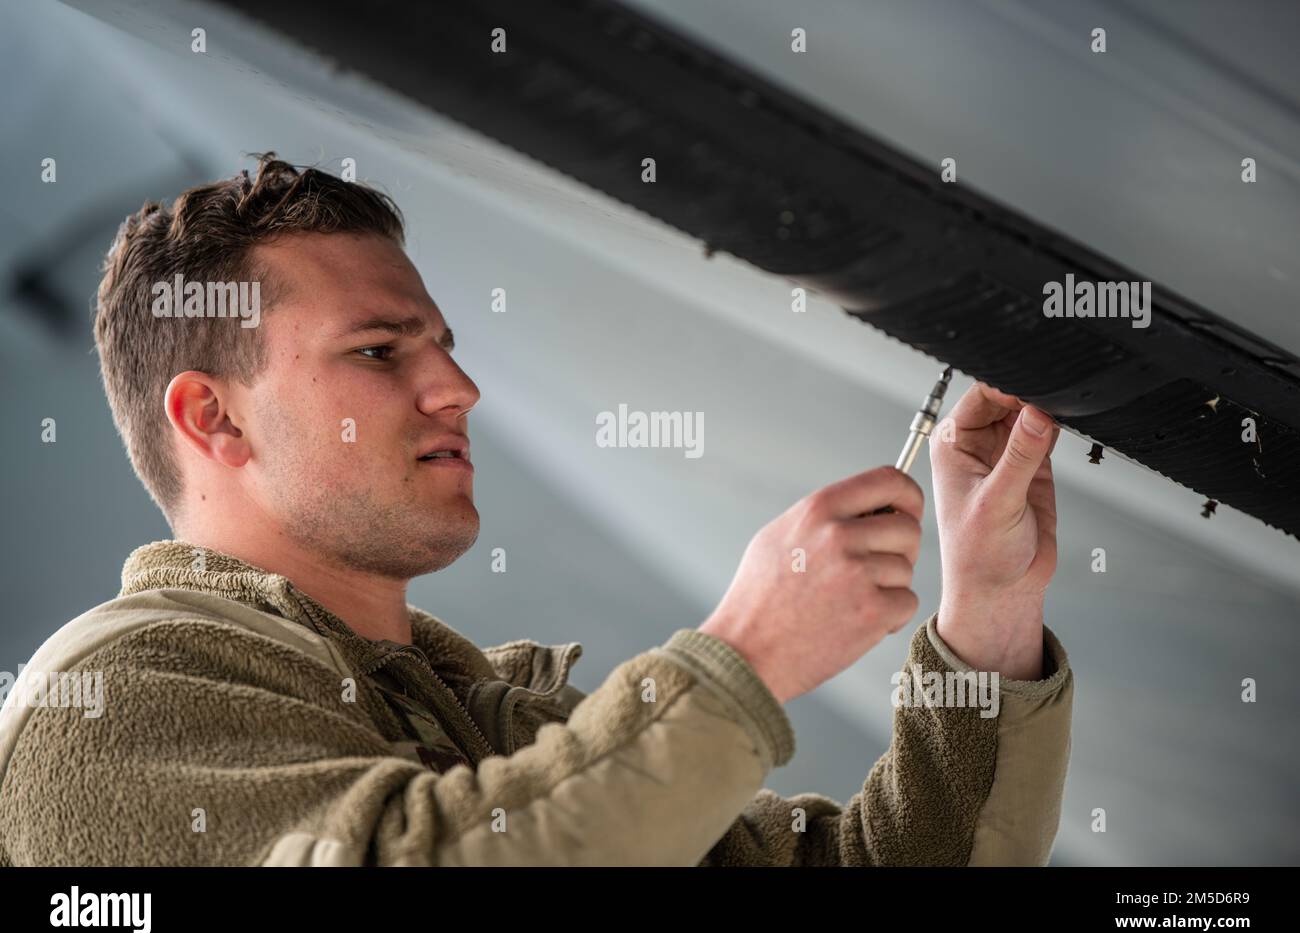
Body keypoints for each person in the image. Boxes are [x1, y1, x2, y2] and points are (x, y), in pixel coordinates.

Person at [0, 154, 1071, 866]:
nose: (456, 388)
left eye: (445, 345)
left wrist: (987, 617)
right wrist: (744, 657)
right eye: (379, 349)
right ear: (214, 421)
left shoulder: (493, 732)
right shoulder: (107, 697)